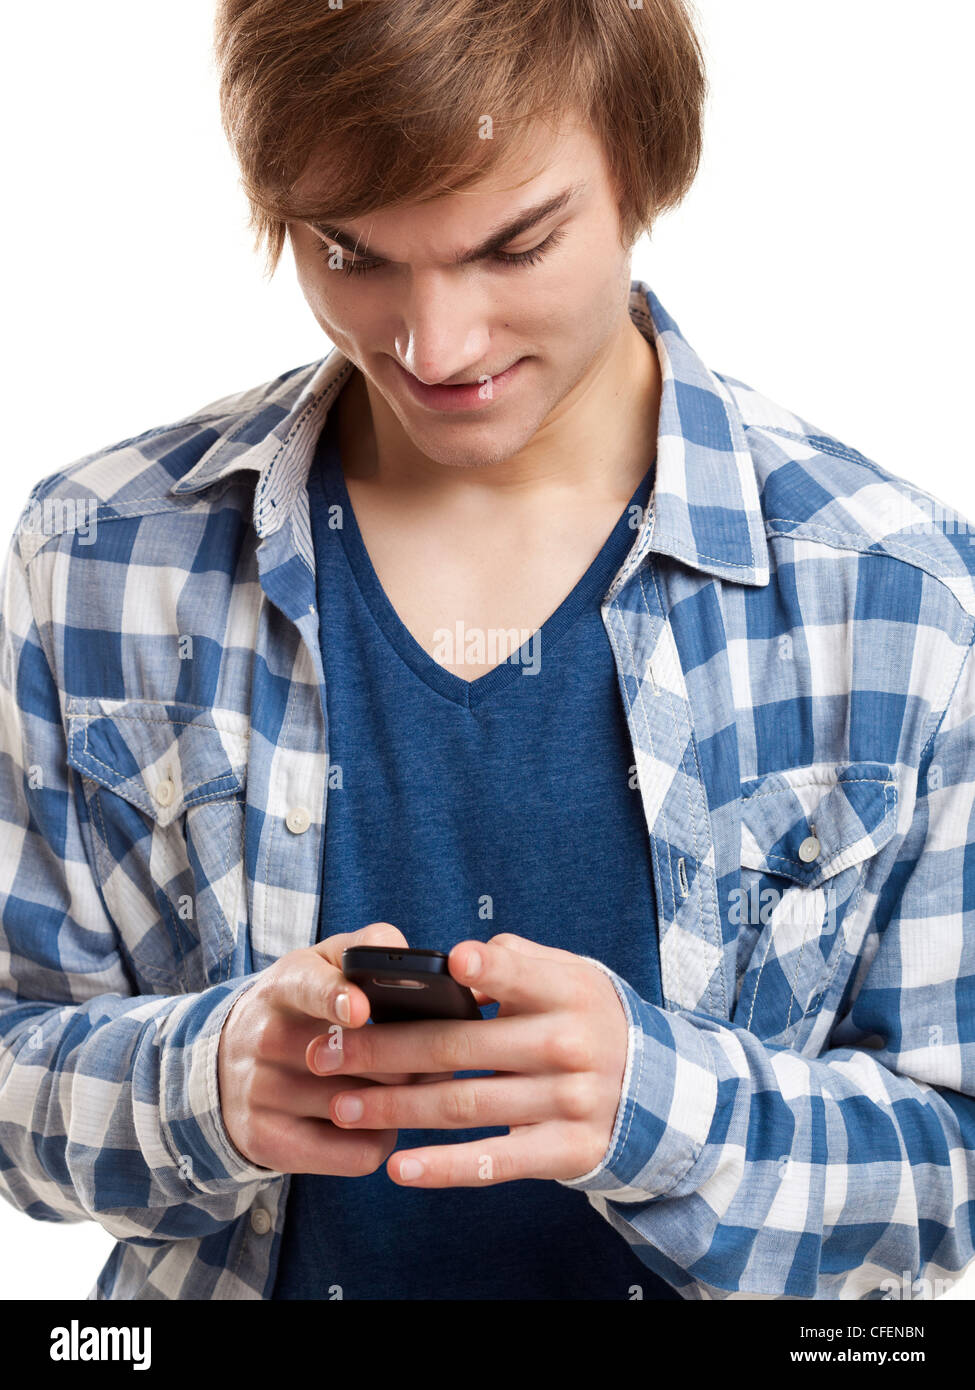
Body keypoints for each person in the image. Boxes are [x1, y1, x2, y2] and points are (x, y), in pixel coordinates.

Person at [1, 0, 973, 1302]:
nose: (433, 345)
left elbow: (953, 1161)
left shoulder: (898, 589)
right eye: (351, 253)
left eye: (514, 246)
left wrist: (654, 1101)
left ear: (646, 164)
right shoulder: (100, 553)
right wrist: (206, 1081)